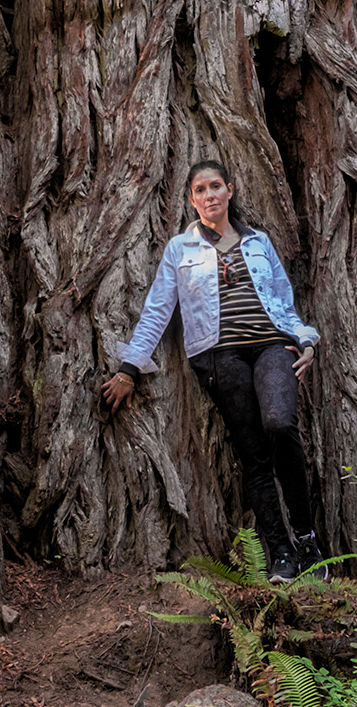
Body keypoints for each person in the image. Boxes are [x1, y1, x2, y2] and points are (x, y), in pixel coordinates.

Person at [101, 157, 327, 583]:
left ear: (230, 190)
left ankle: (307, 537)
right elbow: (157, 311)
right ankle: (280, 552)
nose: (209, 195)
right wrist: (130, 368)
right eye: (200, 190)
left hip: (272, 345)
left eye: (215, 186)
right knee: (254, 452)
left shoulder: (258, 241)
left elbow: (283, 298)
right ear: (192, 199)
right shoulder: (179, 249)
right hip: (220, 356)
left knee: (280, 425)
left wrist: (306, 338)